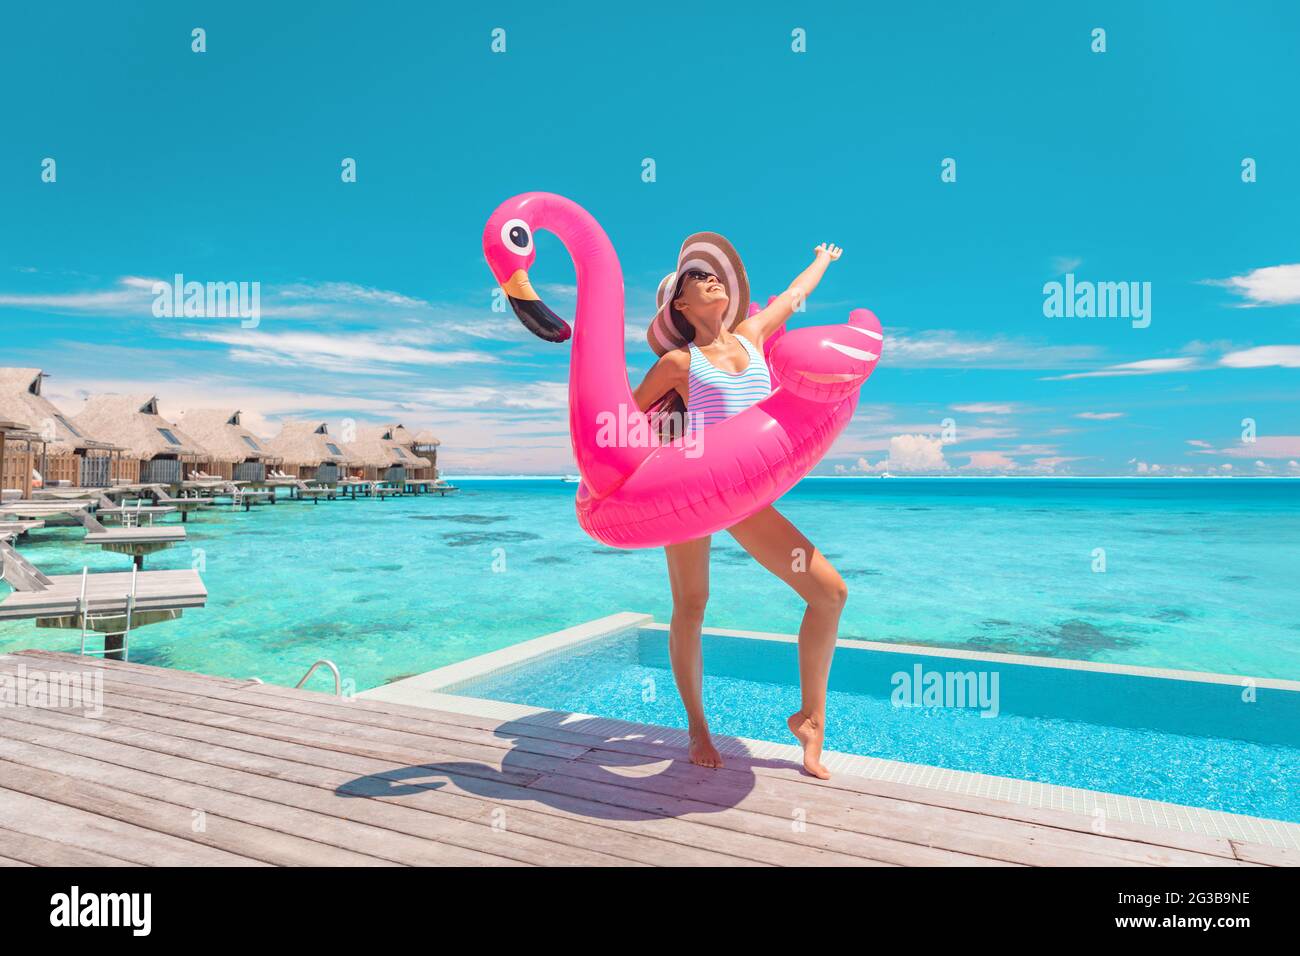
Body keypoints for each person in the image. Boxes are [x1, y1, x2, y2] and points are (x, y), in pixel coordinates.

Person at [631, 233, 847, 779]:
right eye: (695, 279)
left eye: (713, 275)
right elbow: (624, 420)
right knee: (692, 605)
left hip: (744, 494)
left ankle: (811, 721)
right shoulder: (680, 363)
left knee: (830, 593)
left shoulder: (752, 337)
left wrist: (819, 259)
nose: (710, 280)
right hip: (687, 492)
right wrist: (645, 474)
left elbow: (791, 297)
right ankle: (698, 728)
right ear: (680, 305)